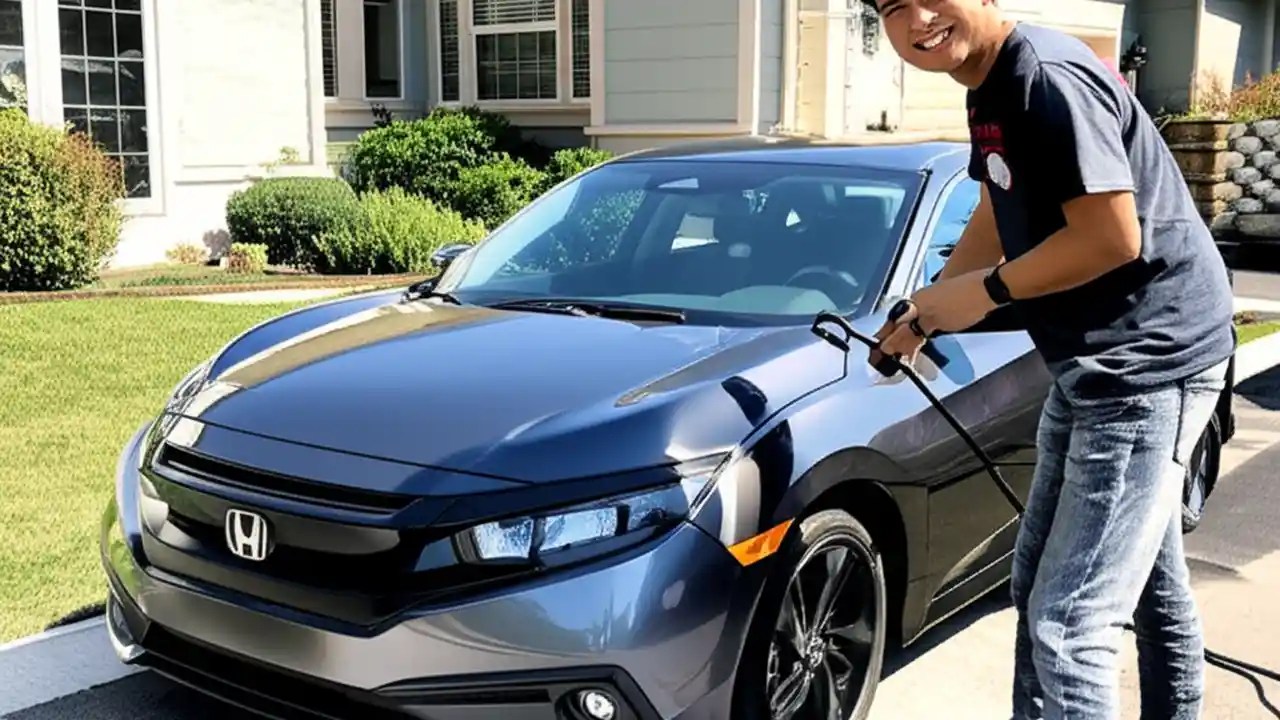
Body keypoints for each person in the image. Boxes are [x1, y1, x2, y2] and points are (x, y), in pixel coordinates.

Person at [864, 0, 1237, 718]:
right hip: (1092, 361)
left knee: (1068, 624)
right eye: (891, 8)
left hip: (1146, 365)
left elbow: (1111, 239)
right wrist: (926, 313)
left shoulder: (1045, 76)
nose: (915, 21)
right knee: (1110, 587)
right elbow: (991, 209)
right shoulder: (990, 84)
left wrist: (985, 293)